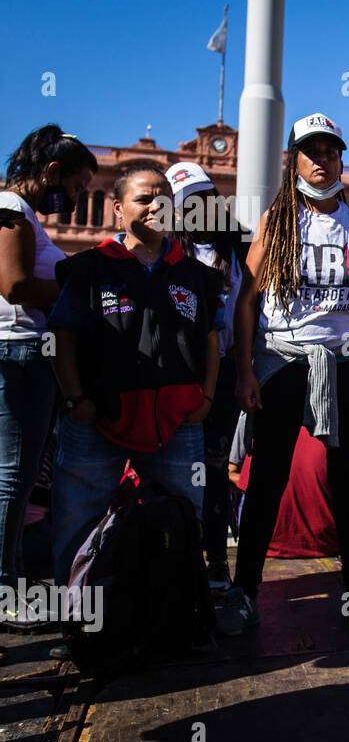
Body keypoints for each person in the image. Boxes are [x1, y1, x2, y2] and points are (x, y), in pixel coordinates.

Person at [219, 113, 349, 635]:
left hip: (346, 362)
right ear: (293, 159)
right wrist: (245, 369)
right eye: (311, 150)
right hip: (285, 361)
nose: (322, 159)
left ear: (340, 158)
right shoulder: (279, 218)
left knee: (345, 478)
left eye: (331, 150)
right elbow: (246, 299)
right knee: (268, 476)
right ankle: (244, 589)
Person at [48, 165, 220, 585]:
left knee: (181, 518)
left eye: (163, 197)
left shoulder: (197, 275)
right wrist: (75, 400)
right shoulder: (90, 268)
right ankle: (78, 623)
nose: (155, 206)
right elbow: (60, 336)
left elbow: (212, 341)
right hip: (98, 419)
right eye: (143, 198)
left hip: (177, 423)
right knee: (79, 522)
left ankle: (175, 617)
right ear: (119, 209)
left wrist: (208, 399)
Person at [0, 126, 96, 621]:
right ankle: (6, 593)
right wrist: (75, 291)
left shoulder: (24, 215)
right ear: (52, 172)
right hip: (18, 352)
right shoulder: (12, 211)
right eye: (78, 188)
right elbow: (15, 286)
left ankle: (13, 583)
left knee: (13, 476)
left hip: (25, 353)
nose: (77, 200)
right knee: (12, 478)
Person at [166, 161, 249, 591]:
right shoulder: (166, 252)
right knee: (178, 469)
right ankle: (177, 562)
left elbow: (249, 310)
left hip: (228, 368)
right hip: (181, 373)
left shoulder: (237, 249)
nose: (198, 209)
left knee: (215, 470)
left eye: (204, 199)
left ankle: (217, 561)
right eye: (188, 204)